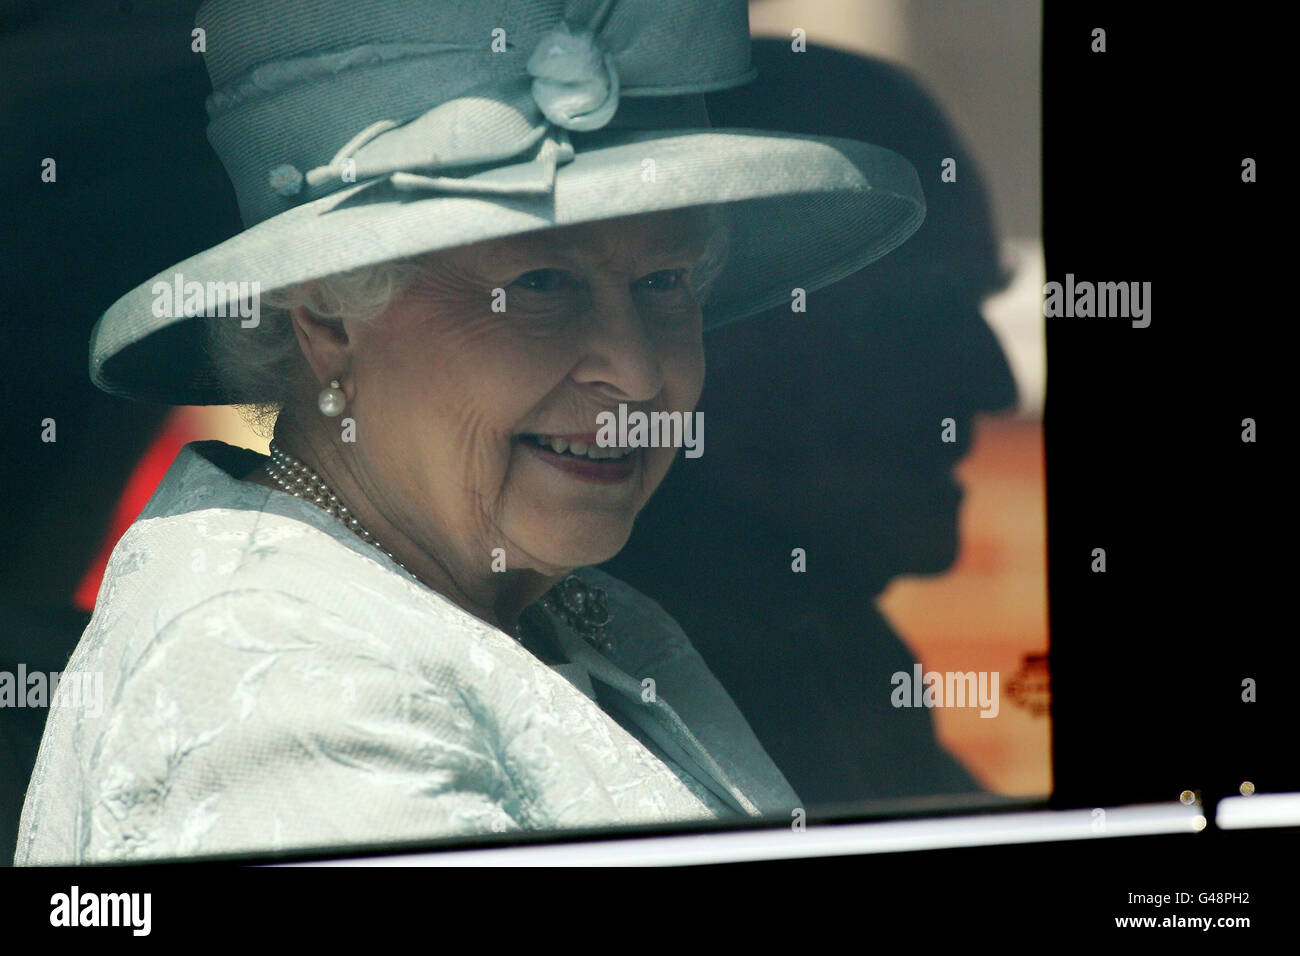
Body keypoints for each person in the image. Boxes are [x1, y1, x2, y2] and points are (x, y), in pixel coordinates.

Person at [15, 0, 926, 863]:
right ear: (328, 317)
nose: (639, 374)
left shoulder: (540, 607)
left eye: (665, 282)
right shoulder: (295, 695)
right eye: (540, 284)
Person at [604, 40, 1021, 808]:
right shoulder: (621, 701)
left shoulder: (826, 647)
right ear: (717, 328)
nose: (993, 383)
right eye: (919, 313)